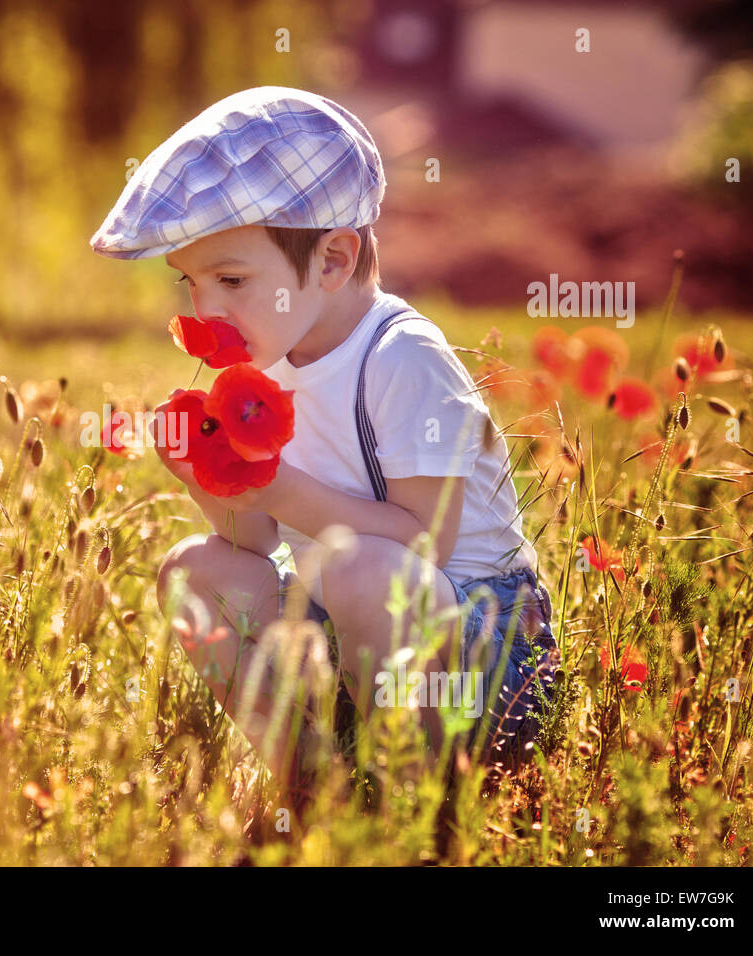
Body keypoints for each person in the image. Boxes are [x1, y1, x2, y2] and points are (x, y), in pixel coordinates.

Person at [89, 86, 560, 807]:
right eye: (191, 283)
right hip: (347, 637)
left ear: (334, 261)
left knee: (365, 567)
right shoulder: (268, 356)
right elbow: (254, 540)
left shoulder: (403, 358)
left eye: (232, 280)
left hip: (479, 654)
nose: (204, 310)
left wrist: (278, 487)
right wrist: (208, 478)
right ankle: (313, 782)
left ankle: (414, 802)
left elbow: (423, 546)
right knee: (193, 571)